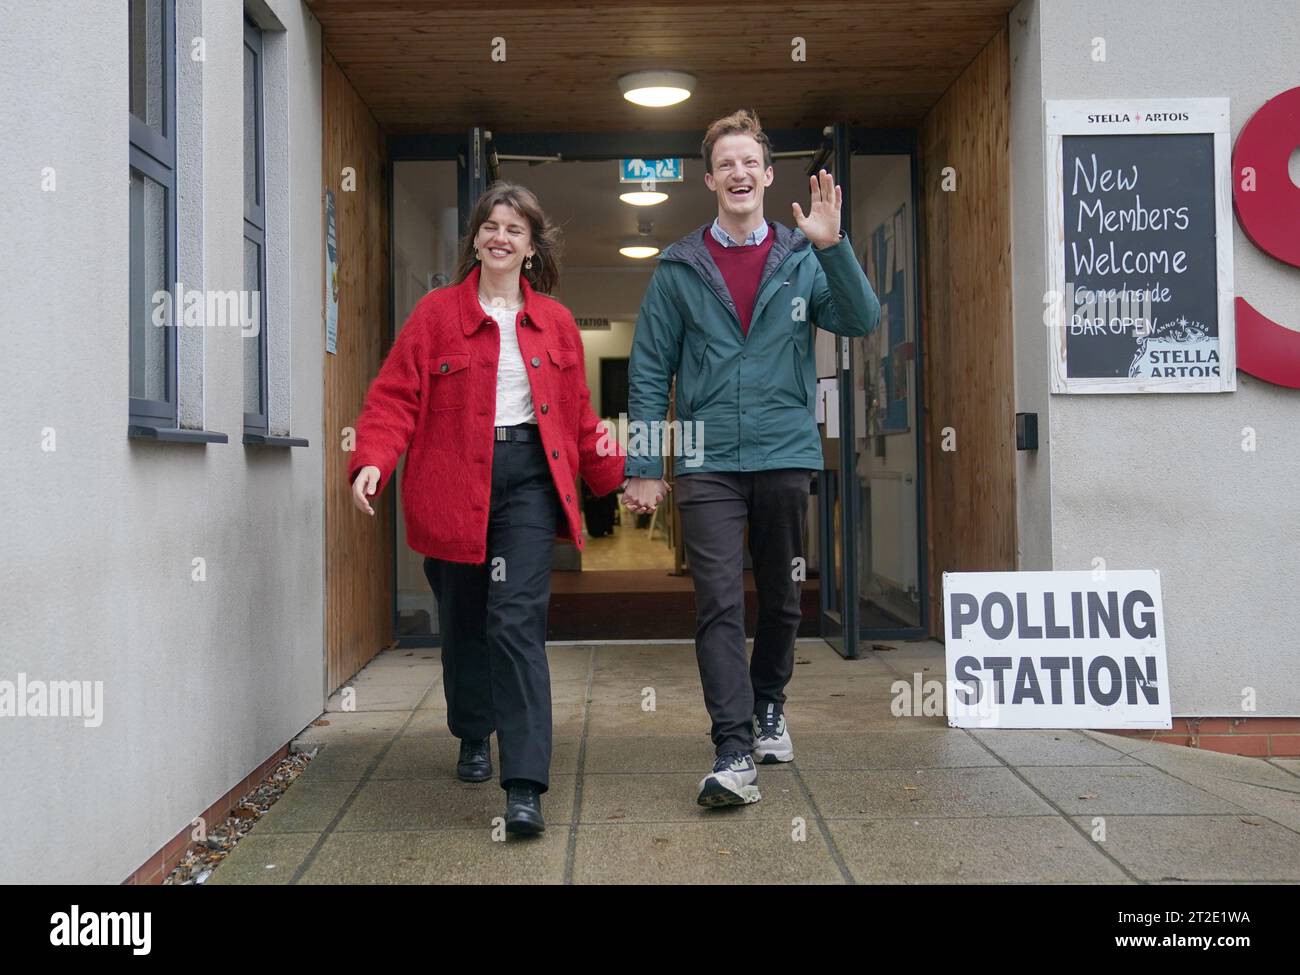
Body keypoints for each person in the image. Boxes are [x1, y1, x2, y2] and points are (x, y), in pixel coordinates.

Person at [349, 182, 626, 835]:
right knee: (466, 622)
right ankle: (474, 730)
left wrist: (622, 475)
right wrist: (372, 459)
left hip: (528, 481)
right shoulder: (435, 314)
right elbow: (394, 399)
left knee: (516, 623)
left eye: (515, 229)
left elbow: (581, 417)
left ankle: (524, 783)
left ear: (532, 246)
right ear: (475, 237)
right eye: (491, 226)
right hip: (451, 485)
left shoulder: (554, 321)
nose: (501, 236)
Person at [623, 109, 880, 806]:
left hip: (782, 449)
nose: (739, 173)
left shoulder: (802, 257)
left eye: (750, 162)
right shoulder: (678, 269)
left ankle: (770, 704)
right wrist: (645, 463)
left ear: (767, 176)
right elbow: (649, 370)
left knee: (782, 596)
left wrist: (833, 248)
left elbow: (861, 319)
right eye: (725, 164)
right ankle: (733, 747)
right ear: (710, 180)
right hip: (705, 457)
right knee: (717, 601)